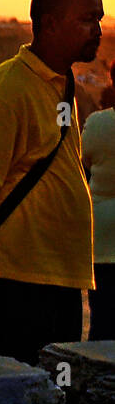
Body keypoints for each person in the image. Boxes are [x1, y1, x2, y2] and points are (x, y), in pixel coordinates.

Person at [0, 0, 102, 363]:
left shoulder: (63, 84)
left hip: (62, 280)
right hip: (16, 283)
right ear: (51, 23)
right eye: (88, 20)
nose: (99, 31)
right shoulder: (9, 88)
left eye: (100, 20)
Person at [83, 67, 115, 339]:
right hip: (102, 236)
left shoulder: (97, 123)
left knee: (102, 319)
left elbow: (81, 164)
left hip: (102, 236)